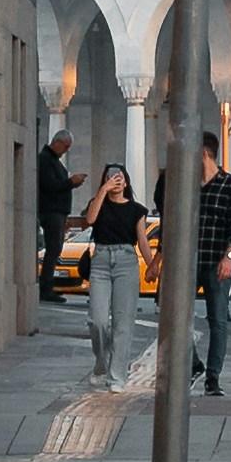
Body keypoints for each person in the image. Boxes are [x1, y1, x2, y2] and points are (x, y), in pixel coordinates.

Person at [83, 164, 143, 382]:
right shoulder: (98, 204)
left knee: (123, 322)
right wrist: (103, 191)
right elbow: (89, 220)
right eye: (111, 178)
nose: (116, 181)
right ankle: (101, 360)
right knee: (97, 320)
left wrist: (153, 266)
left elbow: (142, 242)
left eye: (119, 178)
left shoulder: (137, 210)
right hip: (100, 261)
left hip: (126, 261)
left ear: (125, 182)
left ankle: (117, 376)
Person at [192, 153, 231, 393]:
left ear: (204, 153)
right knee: (177, 319)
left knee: (218, 321)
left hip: (217, 263)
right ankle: (193, 363)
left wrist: (229, 258)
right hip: (189, 263)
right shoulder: (188, 183)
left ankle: (213, 376)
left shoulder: (230, 184)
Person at [35, 129, 75, 293]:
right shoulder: (45, 160)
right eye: (65, 147)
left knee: (55, 248)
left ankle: (46, 284)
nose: (66, 151)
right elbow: (50, 185)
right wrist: (71, 182)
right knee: (53, 248)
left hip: (56, 211)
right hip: (51, 211)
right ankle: (46, 286)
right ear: (57, 142)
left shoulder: (52, 161)